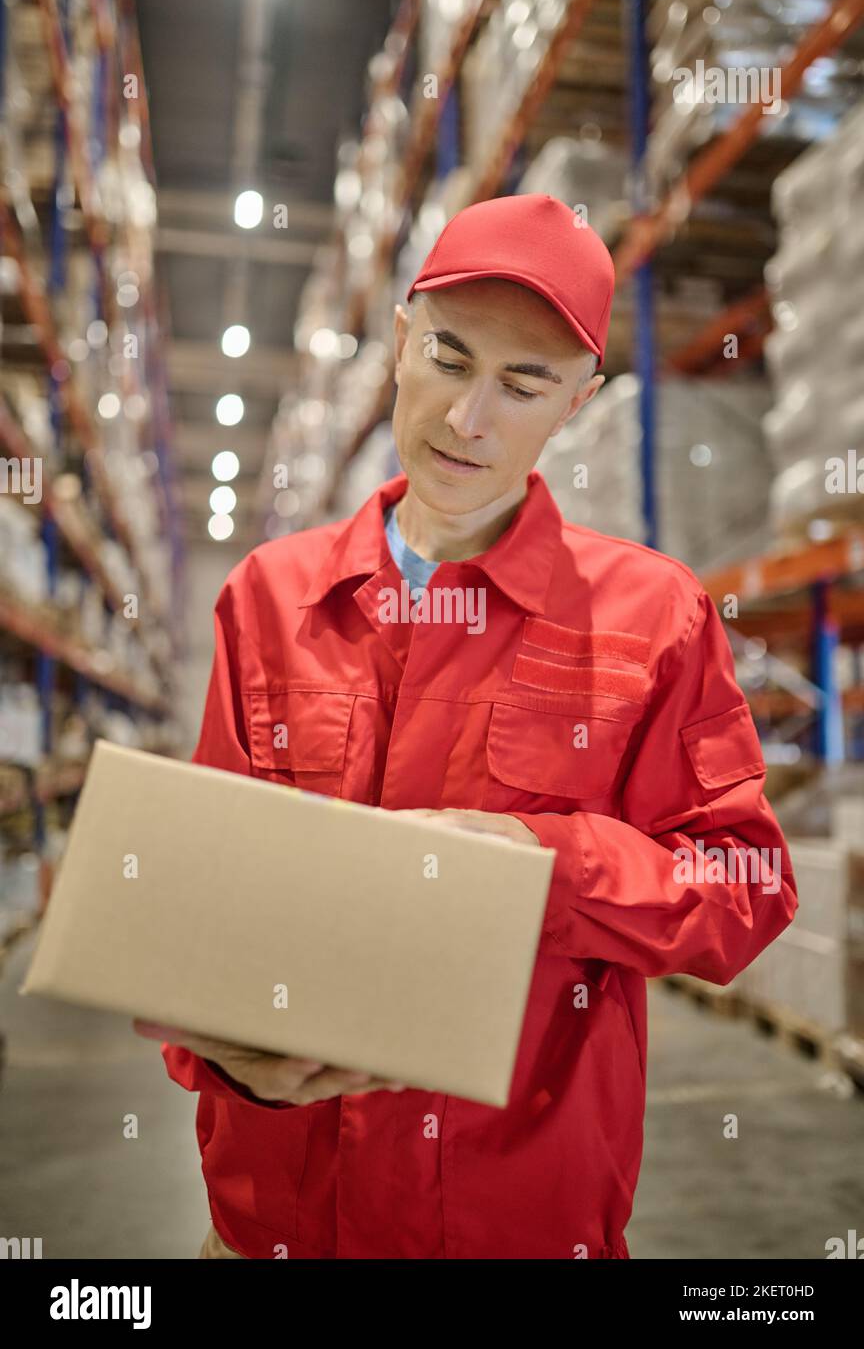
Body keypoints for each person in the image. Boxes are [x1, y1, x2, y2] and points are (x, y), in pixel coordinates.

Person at [135, 193, 797, 1260]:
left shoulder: (651, 617)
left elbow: (746, 889)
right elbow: (205, 895)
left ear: (575, 404)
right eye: (448, 359)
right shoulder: (271, 596)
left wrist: (546, 865)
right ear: (402, 341)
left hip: (514, 1227)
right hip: (275, 1222)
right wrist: (219, 1057)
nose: (467, 419)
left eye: (522, 386)